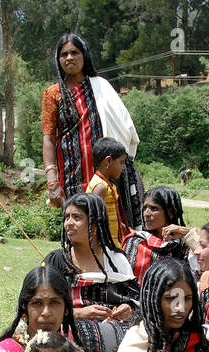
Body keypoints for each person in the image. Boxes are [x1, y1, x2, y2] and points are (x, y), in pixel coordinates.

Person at [42, 33, 142, 223]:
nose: (69, 58)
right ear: (58, 59)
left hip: (105, 173)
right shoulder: (52, 94)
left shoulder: (100, 87)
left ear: (84, 55)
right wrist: (52, 181)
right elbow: (48, 139)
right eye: (64, 54)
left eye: (75, 52)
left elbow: (124, 127)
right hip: (72, 175)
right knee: (78, 226)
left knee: (110, 225)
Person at [44, 192, 138, 321]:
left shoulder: (116, 260)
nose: (69, 223)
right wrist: (78, 313)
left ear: (95, 224)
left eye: (76, 217)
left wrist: (128, 309)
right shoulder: (57, 261)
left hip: (114, 332)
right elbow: (38, 305)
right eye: (66, 217)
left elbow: (136, 302)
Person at [123, 185, 192, 283]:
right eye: (145, 208)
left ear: (171, 212)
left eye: (154, 209)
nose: (146, 214)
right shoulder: (136, 243)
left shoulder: (184, 245)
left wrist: (187, 232)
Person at [87, 137, 131, 246]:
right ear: (108, 161)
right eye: (121, 162)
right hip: (105, 246)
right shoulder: (100, 187)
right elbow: (95, 219)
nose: (123, 167)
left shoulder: (107, 184)